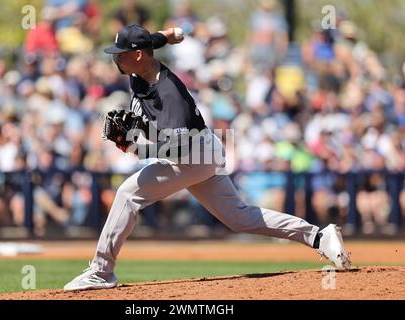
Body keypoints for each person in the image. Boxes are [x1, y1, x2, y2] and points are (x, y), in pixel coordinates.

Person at [63, 24, 351, 291]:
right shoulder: (141, 66)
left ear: (138, 56)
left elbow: (177, 150)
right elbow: (153, 39)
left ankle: (101, 271)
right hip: (203, 149)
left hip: (192, 153)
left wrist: (134, 148)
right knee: (239, 218)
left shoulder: (169, 94)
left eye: (121, 55)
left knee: (128, 194)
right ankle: (318, 236)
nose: (116, 60)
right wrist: (171, 35)